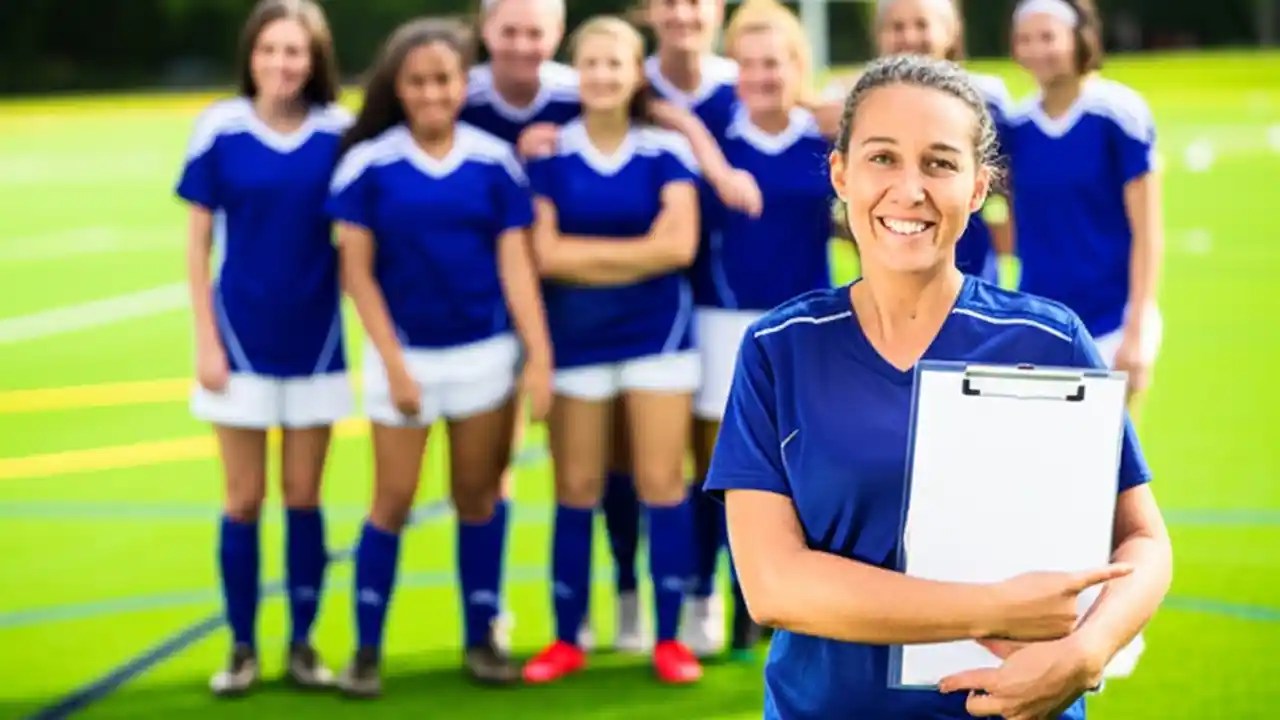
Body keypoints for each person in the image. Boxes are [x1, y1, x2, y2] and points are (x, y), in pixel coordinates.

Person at [706, 54, 1173, 719]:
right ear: (840, 173)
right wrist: (994, 608)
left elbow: (1144, 541)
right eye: (882, 158)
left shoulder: (1048, 340)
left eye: (940, 163)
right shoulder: (781, 348)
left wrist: (1087, 651)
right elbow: (774, 586)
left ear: (979, 188)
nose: (909, 189)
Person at [326, 17, 553, 695]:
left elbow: (516, 268)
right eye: (418, 81)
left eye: (444, 79)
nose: (432, 92)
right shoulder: (370, 164)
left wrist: (537, 356)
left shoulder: (492, 162)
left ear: (463, 84)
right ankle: (366, 650)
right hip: (406, 362)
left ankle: (482, 638)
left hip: (484, 359)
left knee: (477, 499)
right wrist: (393, 363)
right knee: (390, 501)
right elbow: (357, 274)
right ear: (398, 87)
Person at [520, 16, 704, 686]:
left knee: (662, 484)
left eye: (614, 65)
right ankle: (566, 638)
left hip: (658, 339)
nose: (602, 77)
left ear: (635, 75)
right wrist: (636, 256)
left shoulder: (665, 150)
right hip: (575, 345)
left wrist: (583, 257)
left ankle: (668, 639)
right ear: (578, 72)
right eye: (590, 64)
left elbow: (678, 247)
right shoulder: (550, 154)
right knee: (575, 488)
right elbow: (542, 254)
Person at [175, 0, 350, 696]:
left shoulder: (341, 133)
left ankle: (302, 645)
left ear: (316, 60)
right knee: (243, 500)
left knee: (304, 498)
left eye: (296, 51)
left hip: (316, 343)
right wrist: (205, 340)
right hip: (238, 343)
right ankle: (242, 647)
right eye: (269, 50)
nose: (282, 63)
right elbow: (196, 242)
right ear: (251, 55)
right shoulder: (218, 128)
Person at [1004, 0, 1165, 411]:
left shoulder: (1119, 114)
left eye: (1047, 37)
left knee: (1108, 467)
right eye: (1025, 39)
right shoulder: (1015, 127)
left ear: (1078, 39)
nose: (1036, 49)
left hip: (1112, 322)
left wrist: (1138, 327)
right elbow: (1012, 226)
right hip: (1040, 323)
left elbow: (1148, 230)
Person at [870, 0, 1014, 283]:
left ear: (950, 31)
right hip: (886, 284)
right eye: (897, 26)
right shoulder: (859, 105)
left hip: (971, 277)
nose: (909, 37)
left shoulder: (987, 102)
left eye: (922, 25)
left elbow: (1016, 184)